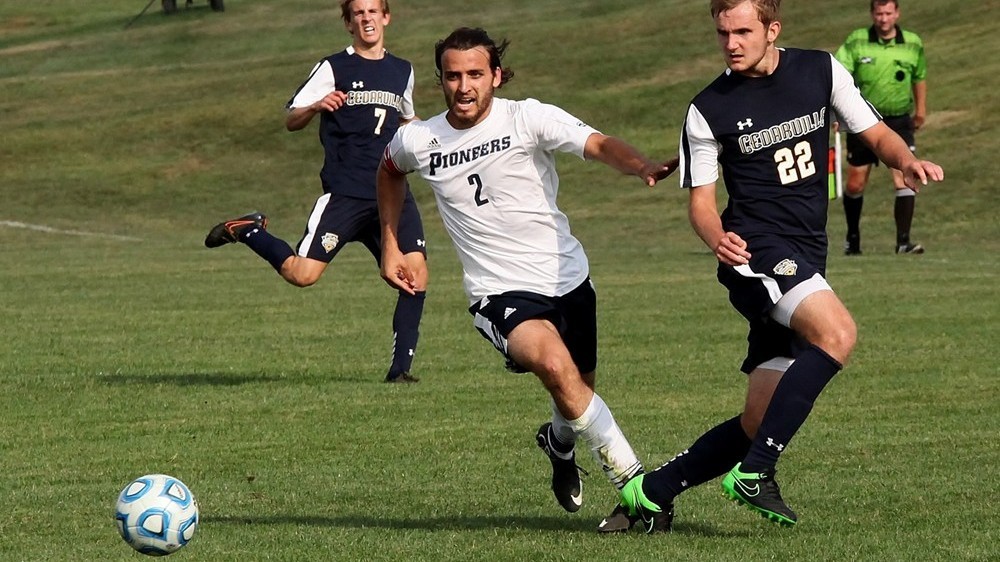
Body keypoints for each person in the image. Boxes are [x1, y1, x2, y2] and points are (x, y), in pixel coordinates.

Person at [616, 0, 944, 531]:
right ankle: (756, 473)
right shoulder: (707, 108)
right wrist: (717, 238)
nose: (732, 43)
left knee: (758, 417)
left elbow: (875, 132)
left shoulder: (819, 70)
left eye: (743, 31)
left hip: (808, 251)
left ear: (772, 29)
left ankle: (650, 493)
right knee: (837, 334)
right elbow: (701, 203)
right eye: (723, 33)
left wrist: (905, 159)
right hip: (755, 252)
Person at [376, 26, 677, 528]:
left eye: (475, 73)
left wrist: (639, 164)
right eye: (453, 76)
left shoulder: (528, 117)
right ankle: (637, 490)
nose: (464, 86)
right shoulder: (419, 138)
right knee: (558, 370)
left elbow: (597, 143)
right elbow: (388, 170)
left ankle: (558, 445)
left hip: (568, 277)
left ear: (496, 74)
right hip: (499, 293)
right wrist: (390, 244)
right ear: (441, 80)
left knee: (577, 391)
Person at [204, 0, 428, 384]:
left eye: (373, 11)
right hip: (346, 194)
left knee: (416, 276)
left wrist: (441, 138)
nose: (366, 18)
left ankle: (399, 372)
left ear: (386, 17)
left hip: (392, 193)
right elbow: (292, 116)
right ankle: (248, 229)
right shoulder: (333, 67)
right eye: (358, 13)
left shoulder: (402, 70)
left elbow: (407, 119)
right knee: (302, 275)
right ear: (348, 23)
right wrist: (316, 105)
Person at [834, 0, 929, 255]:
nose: (884, 19)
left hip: (899, 119)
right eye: (879, 13)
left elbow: (919, 77)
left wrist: (920, 110)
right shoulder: (857, 41)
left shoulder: (912, 43)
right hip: (862, 120)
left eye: (888, 13)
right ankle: (852, 241)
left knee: (905, 176)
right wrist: (836, 112)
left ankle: (903, 242)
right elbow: (839, 76)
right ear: (872, 14)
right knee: (855, 184)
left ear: (897, 13)